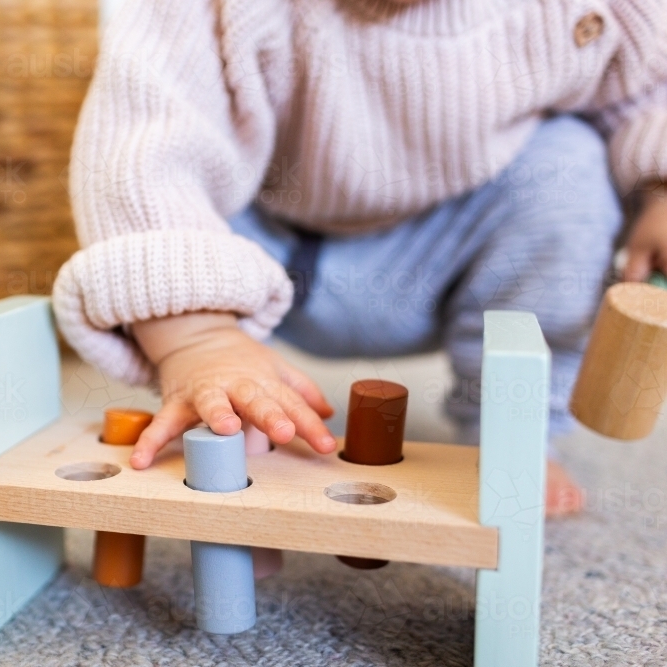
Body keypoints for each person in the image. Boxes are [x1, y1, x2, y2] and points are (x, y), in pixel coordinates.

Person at [52, 0, 667, 516]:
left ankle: (512, 427)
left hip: (453, 254)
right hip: (262, 262)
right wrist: (198, 341)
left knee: (568, 166)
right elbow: (147, 149)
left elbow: (648, 87)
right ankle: (210, 352)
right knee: (159, 174)